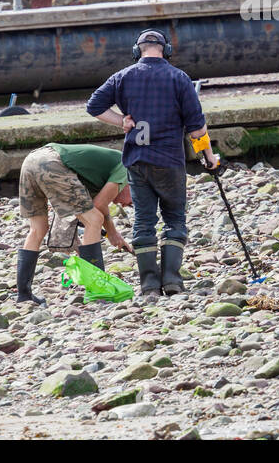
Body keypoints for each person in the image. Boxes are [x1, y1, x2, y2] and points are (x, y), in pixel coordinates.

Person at [86, 29, 220, 298]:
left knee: (144, 222)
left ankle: (148, 286)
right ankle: (172, 280)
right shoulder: (178, 78)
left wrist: (121, 121)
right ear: (165, 50)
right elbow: (196, 129)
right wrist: (209, 158)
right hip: (169, 160)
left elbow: (94, 106)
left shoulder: (122, 77)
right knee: (174, 220)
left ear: (138, 51)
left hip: (136, 161)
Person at [15, 143, 134, 306]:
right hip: (52, 161)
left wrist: (112, 233)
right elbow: (99, 205)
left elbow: (96, 205)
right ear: (133, 184)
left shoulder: (99, 176)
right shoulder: (126, 166)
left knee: (38, 229)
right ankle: (97, 290)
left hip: (31, 160)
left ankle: (24, 295)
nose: (127, 204)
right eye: (132, 200)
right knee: (93, 220)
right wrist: (112, 232)